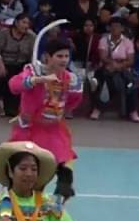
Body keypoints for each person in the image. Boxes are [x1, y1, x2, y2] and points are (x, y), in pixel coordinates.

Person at [8, 40, 83, 200]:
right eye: (59, 56)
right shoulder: (34, 71)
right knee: (32, 175)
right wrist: (37, 80)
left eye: (66, 56)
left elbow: (72, 102)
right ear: (48, 57)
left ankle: (59, 199)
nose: (64, 60)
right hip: (31, 130)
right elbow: (14, 85)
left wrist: (77, 90)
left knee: (65, 165)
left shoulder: (70, 78)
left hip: (54, 130)